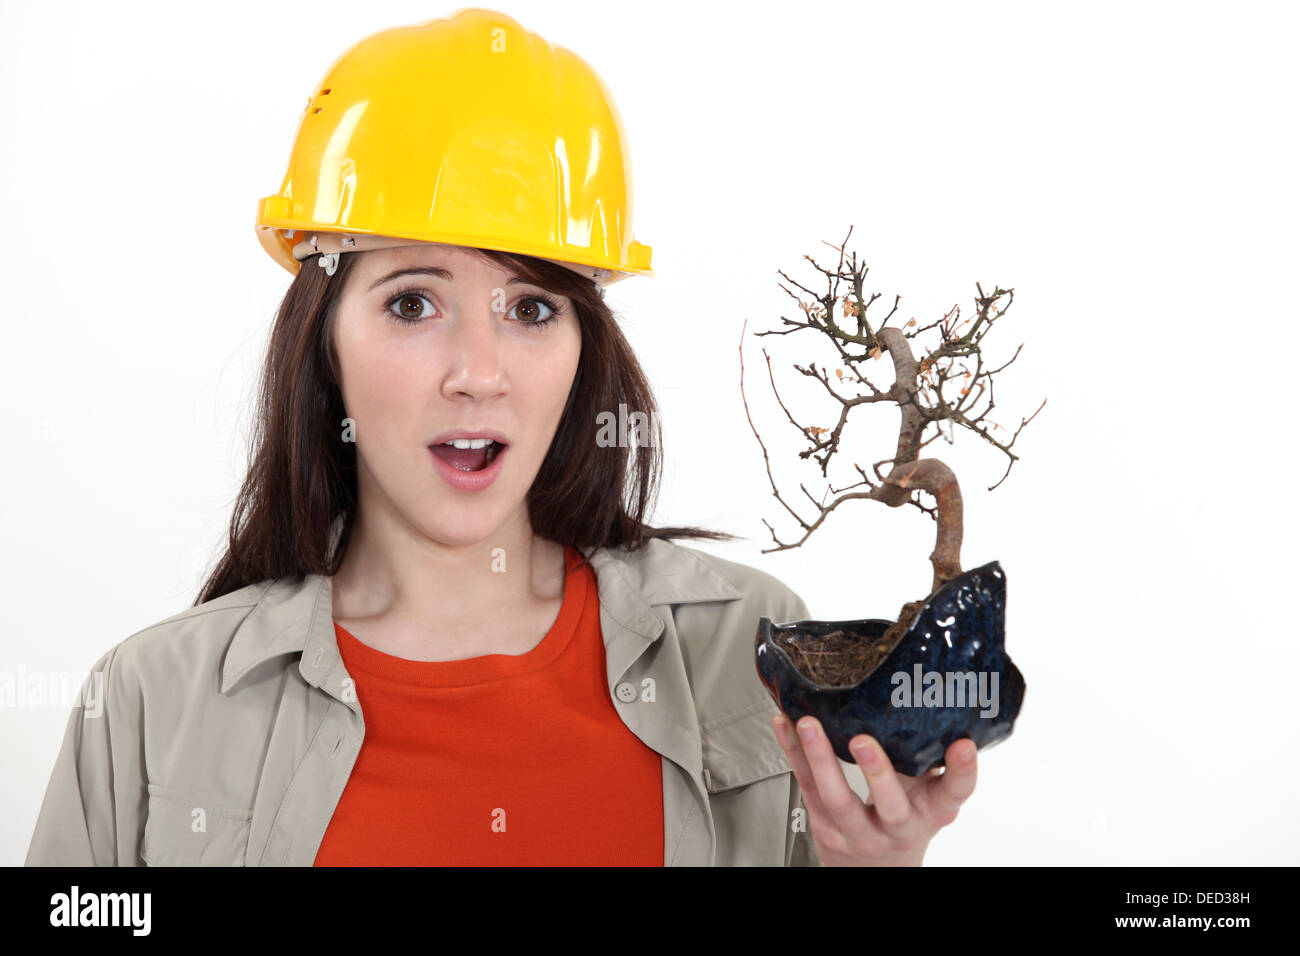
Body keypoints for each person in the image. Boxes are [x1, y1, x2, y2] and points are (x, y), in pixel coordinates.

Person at [24, 7, 976, 867]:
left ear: (583, 349)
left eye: (529, 307)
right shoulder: (151, 703)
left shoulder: (744, 651)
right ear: (324, 344)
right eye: (411, 302)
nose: (479, 371)